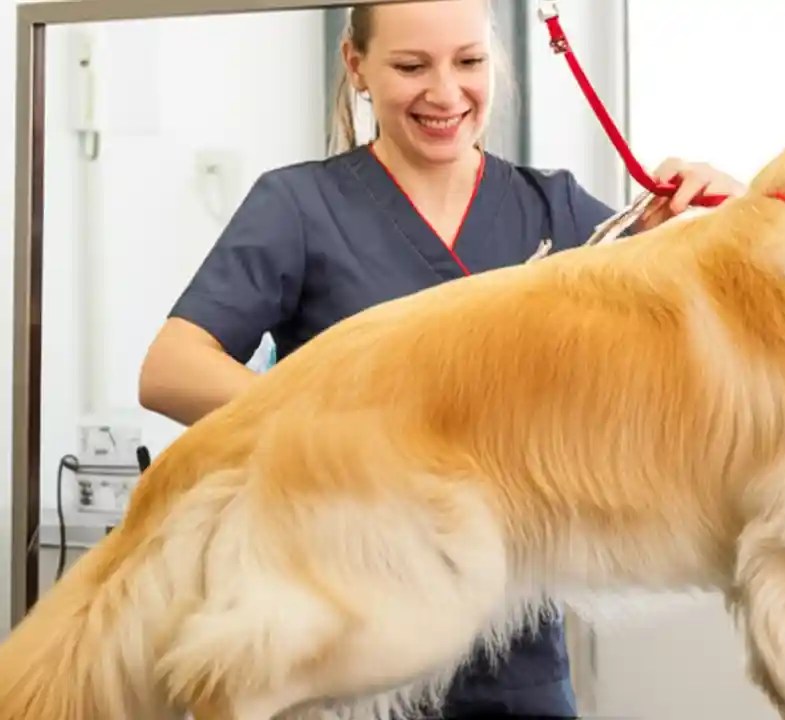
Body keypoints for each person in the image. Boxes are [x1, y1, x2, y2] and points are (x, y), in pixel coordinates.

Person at [137, 0, 745, 717]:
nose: (447, 93)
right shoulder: (300, 206)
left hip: (514, 662)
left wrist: (720, 230)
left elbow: (694, 363)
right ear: (356, 66)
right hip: (344, 638)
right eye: (410, 66)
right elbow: (171, 368)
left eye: (469, 61)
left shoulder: (556, 212)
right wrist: (354, 445)